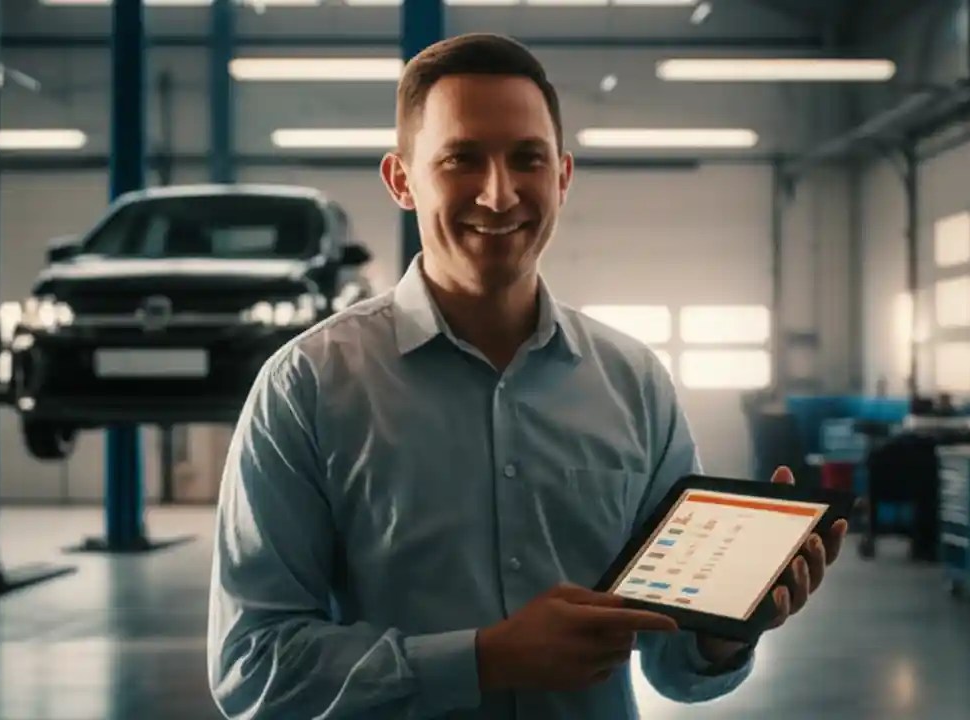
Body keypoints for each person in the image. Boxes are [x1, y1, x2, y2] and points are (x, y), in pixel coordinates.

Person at [207, 32, 849, 720]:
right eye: (461, 159)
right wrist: (488, 658)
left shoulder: (634, 385)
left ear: (562, 177)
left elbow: (673, 665)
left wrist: (730, 628)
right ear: (401, 180)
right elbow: (253, 664)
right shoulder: (305, 388)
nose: (498, 192)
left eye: (527, 159)